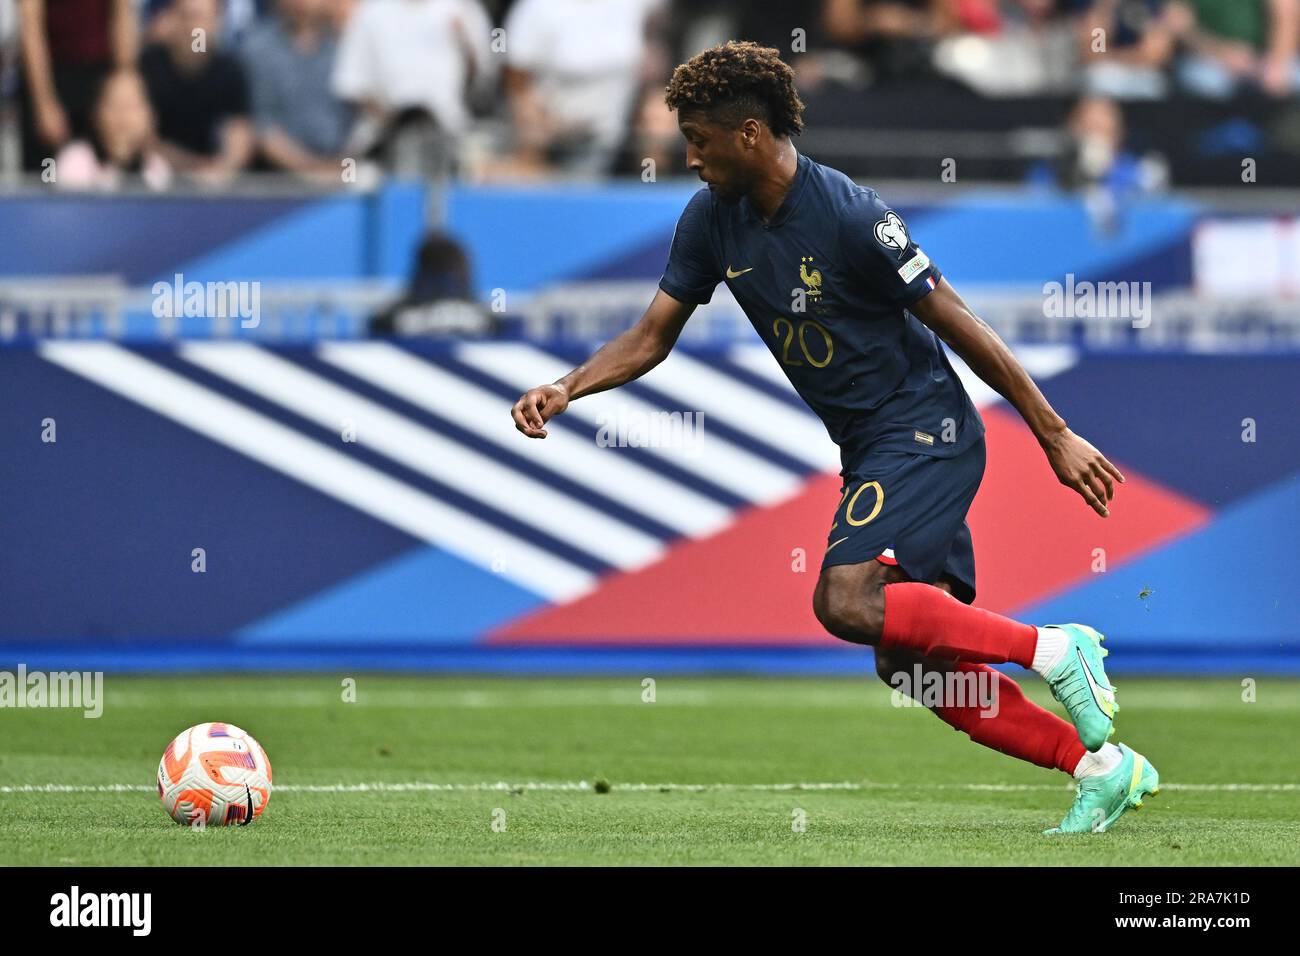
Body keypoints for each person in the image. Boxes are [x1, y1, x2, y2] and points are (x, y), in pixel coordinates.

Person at [510, 41, 1158, 835]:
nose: (688, 159)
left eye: (700, 141)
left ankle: (1057, 650)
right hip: (872, 449)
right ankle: (1100, 768)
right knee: (914, 668)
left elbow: (957, 321)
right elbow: (651, 335)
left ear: (749, 134)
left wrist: (1053, 433)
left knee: (846, 600)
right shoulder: (713, 220)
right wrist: (567, 386)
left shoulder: (851, 213)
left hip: (929, 429)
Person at [138, 0, 254, 183]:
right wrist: (195, 167)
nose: (193, 27)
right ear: (170, 17)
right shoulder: (149, 66)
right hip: (156, 177)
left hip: (215, 186)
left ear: (218, 21)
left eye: (199, 18)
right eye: (185, 16)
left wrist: (223, 169)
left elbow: (240, 133)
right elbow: (142, 136)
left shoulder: (229, 71)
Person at [17, 0, 137, 171]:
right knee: (46, 170)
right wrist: (44, 102)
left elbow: (122, 14)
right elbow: (31, 27)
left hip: (101, 75)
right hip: (52, 74)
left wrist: (127, 86)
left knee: (108, 164)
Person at [241, 0, 352, 181]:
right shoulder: (256, 49)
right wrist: (311, 170)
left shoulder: (346, 47)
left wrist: (342, 166)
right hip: (276, 180)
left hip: (341, 174)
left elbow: (360, 121)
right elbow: (260, 125)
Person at [54, 68, 172, 190]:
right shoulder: (75, 160)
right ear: (96, 112)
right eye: (114, 103)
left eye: (131, 105)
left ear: (150, 115)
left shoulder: (157, 170)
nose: (123, 114)